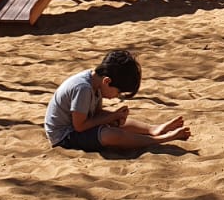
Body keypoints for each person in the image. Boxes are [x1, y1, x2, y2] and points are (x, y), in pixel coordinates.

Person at [44, 49, 190, 152]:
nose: (116, 96)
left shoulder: (95, 82)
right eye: (118, 91)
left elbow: (95, 113)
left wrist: (114, 117)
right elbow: (80, 126)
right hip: (64, 136)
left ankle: (152, 130)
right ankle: (159, 139)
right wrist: (110, 117)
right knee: (112, 134)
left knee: (116, 121)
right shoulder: (83, 88)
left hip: (77, 126)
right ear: (107, 81)